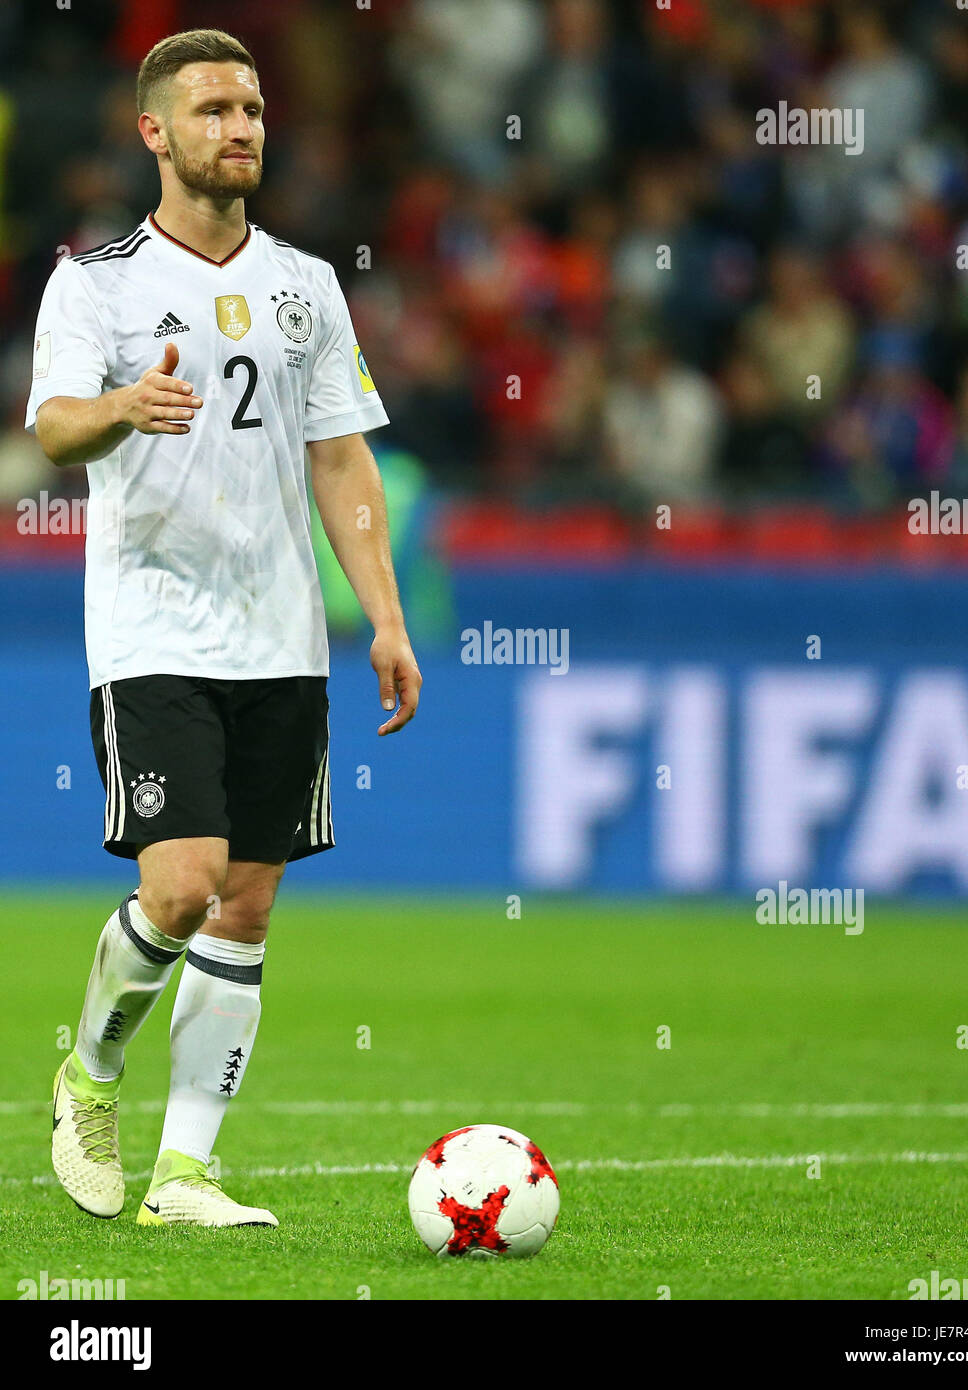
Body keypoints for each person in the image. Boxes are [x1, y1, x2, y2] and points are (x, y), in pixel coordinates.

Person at [26, 28, 421, 1228]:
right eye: (211, 110)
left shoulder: (305, 285)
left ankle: (184, 1174)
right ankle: (88, 1074)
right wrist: (116, 407)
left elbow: (342, 456)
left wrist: (388, 618)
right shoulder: (94, 281)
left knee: (246, 904)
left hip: (283, 639)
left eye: (251, 108)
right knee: (184, 884)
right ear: (154, 131)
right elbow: (49, 430)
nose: (240, 127)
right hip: (152, 629)